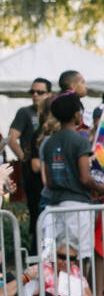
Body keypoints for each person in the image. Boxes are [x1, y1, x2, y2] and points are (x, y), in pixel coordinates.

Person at [37, 93, 104, 260]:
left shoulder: (49, 142)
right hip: (77, 205)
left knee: (59, 257)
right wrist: (100, 188)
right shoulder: (80, 141)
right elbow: (85, 177)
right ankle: (78, 286)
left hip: (54, 205)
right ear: (76, 114)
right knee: (80, 256)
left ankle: (61, 286)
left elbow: (49, 179)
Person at [7, 77, 53, 243]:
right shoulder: (24, 112)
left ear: (48, 94)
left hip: (47, 171)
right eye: (32, 92)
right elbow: (11, 138)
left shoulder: (51, 114)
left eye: (39, 92)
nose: (35, 95)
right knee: (37, 214)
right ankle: (36, 255)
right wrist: (25, 159)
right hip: (32, 172)